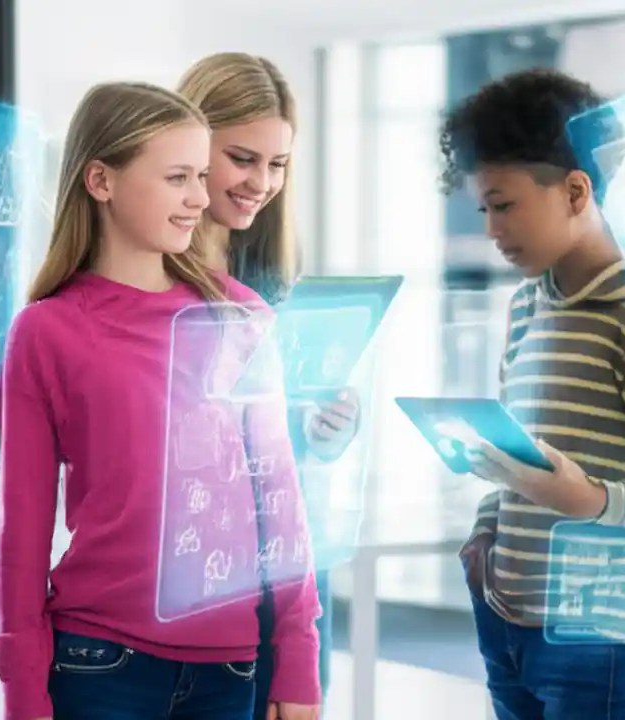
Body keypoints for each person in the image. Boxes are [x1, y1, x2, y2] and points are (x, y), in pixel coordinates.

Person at [0, 81, 322, 720]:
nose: (202, 198)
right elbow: (22, 533)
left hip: (231, 665)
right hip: (98, 662)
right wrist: (22, 694)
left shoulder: (242, 317)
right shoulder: (45, 330)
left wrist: (298, 655)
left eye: (202, 175)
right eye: (178, 177)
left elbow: (280, 504)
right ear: (101, 181)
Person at [438, 68, 625, 720]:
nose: (492, 229)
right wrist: (486, 534)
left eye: (504, 205)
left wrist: (585, 499)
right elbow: (526, 465)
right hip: (510, 615)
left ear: (574, 191)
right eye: (484, 208)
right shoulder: (525, 308)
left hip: (600, 636)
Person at [176, 51, 360, 719]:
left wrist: (329, 427)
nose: (261, 182)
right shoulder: (145, 268)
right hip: (193, 566)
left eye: (277, 164)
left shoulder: (275, 274)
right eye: (243, 159)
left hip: (285, 566)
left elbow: (286, 449)